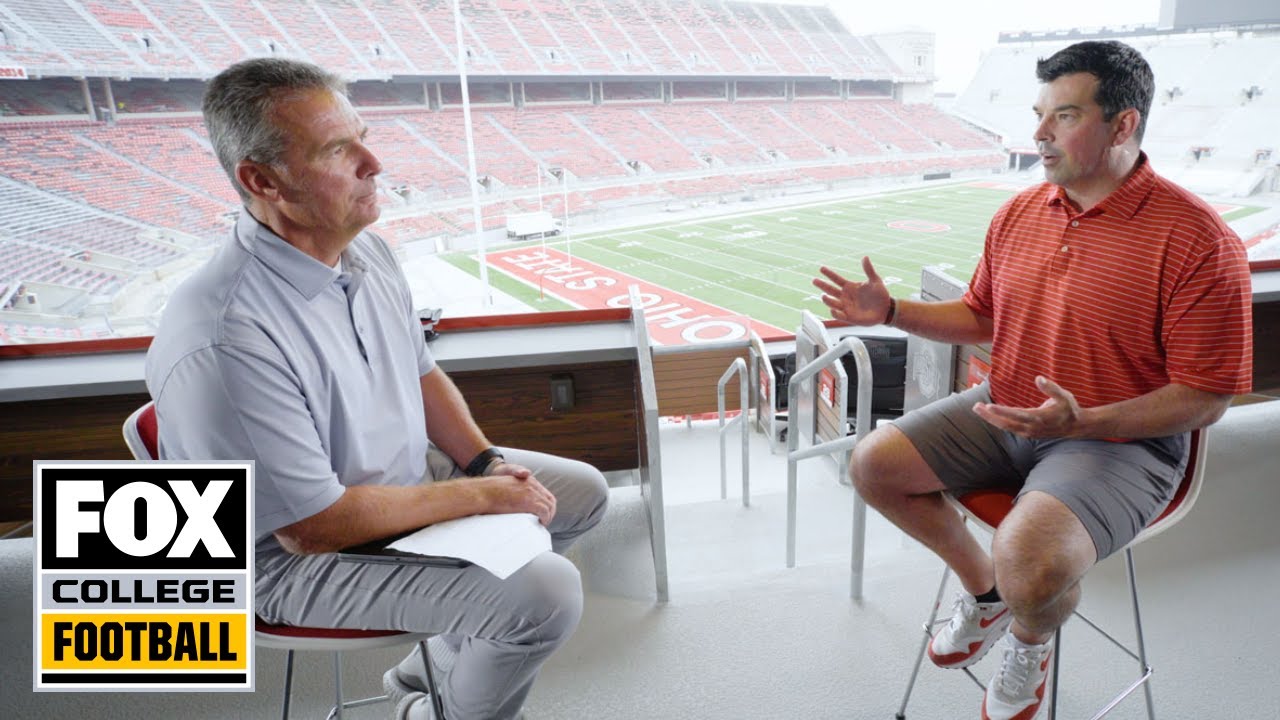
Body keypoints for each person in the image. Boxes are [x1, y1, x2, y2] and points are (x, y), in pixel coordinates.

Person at [145, 58, 608, 720]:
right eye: (338, 150)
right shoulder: (226, 337)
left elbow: (420, 374)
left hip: (395, 483)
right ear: (262, 180)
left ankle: (438, 668)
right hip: (288, 559)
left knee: (582, 495)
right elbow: (313, 527)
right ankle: (436, 711)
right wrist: (482, 495)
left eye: (361, 137)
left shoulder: (368, 253)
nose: (374, 163)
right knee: (544, 595)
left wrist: (485, 463)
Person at [813, 40, 1251, 720]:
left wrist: (1087, 421)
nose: (1039, 133)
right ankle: (986, 592)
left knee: (1031, 565)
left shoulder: (1198, 240)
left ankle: (1028, 637)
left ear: (1123, 125)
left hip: (1119, 444)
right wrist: (893, 312)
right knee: (874, 465)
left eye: (1064, 115)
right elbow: (981, 315)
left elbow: (1206, 396)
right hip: (1006, 409)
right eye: (1039, 114)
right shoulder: (1019, 211)